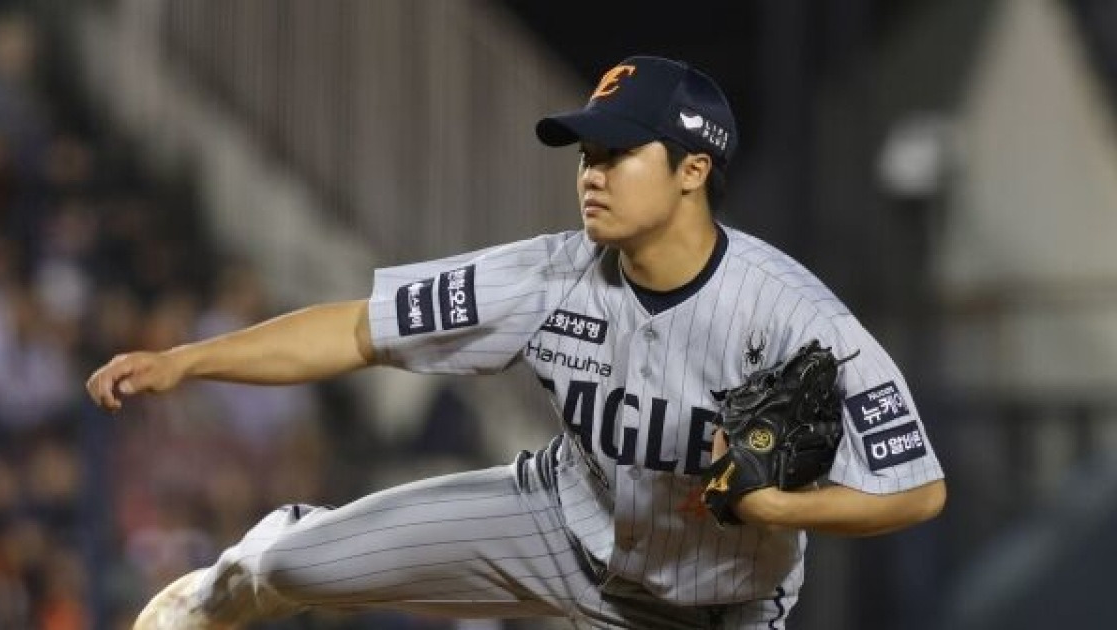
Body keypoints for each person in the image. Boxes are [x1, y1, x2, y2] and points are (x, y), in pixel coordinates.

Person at [87, 56, 946, 630]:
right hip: (553, 526)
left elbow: (918, 491)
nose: (592, 174)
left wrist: (783, 509)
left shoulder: (798, 320)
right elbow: (360, 329)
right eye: (585, 155)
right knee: (293, 563)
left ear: (693, 169)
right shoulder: (548, 276)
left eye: (618, 152)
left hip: (720, 612)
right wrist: (187, 362)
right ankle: (209, 600)